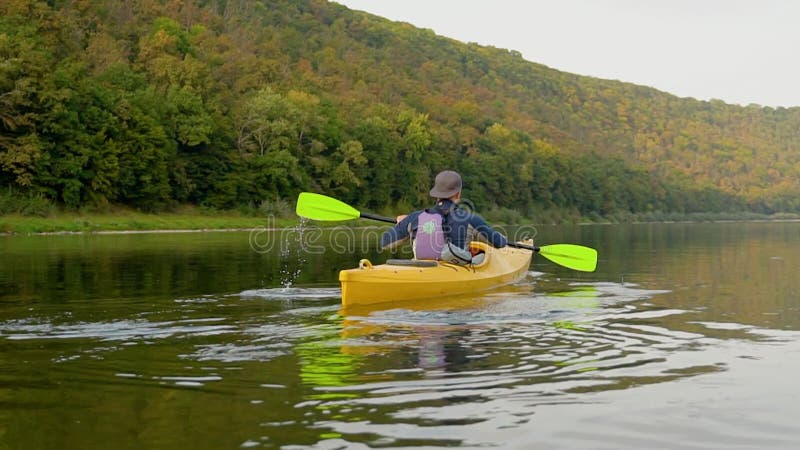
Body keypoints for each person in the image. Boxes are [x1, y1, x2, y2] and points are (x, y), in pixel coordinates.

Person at [380, 170, 508, 264]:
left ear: (436, 194)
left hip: (422, 270)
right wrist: (503, 238)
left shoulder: (415, 217)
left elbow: (385, 243)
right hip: (456, 272)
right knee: (480, 257)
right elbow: (499, 243)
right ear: (458, 194)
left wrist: (401, 223)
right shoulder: (471, 219)